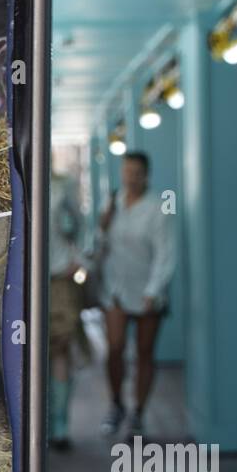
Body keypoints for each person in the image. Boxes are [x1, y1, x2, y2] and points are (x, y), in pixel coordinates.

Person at [96, 152, 175, 438]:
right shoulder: (113, 203)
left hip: (146, 292)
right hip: (115, 288)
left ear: (146, 175)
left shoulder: (157, 208)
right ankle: (116, 403)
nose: (130, 177)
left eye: (136, 172)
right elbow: (100, 245)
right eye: (126, 171)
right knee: (114, 348)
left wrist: (154, 290)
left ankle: (138, 413)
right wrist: (101, 227)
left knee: (144, 353)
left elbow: (165, 253)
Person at [47, 169, 87, 452]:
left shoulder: (62, 185)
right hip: (26, 279)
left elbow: (83, 223)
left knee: (60, 347)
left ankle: (60, 426)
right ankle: (41, 421)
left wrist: (79, 257)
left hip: (60, 275)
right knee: (36, 353)